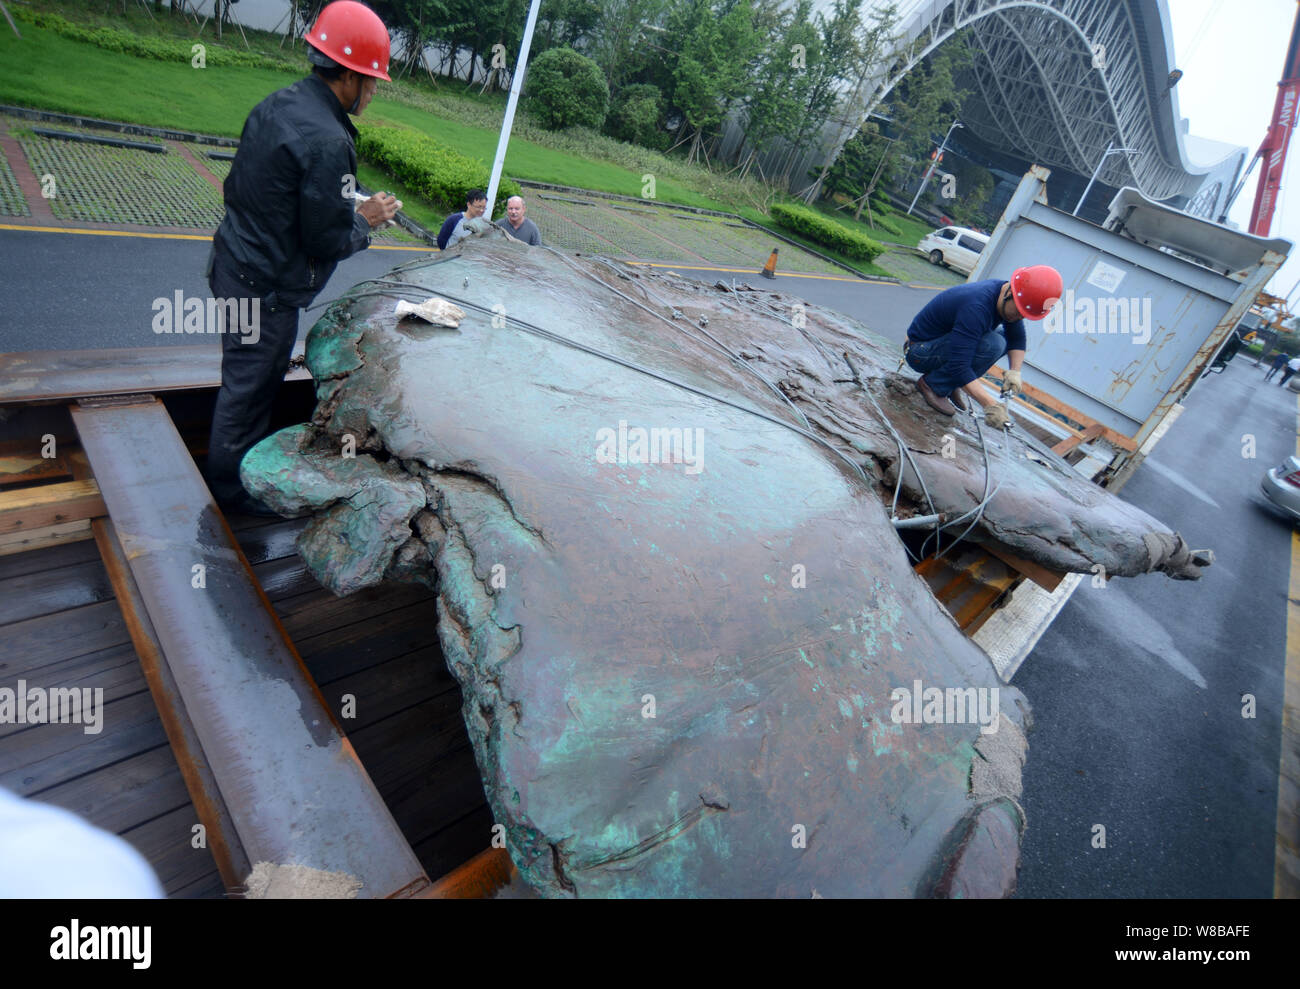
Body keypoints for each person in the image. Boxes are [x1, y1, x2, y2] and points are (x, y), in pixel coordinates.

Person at [205, 0, 399, 516]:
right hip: (263, 290)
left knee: (244, 380)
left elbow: (276, 191)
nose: (374, 92)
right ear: (348, 77)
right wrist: (367, 220)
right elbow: (324, 240)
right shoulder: (329, 140)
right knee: (248, 389)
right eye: (372, 81)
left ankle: (232, 472)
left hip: (233, 262)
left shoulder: (279, 104)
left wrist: (343, 201)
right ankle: (229, 495)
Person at [904, 265, 1063, 428]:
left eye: (1023, 315)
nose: (1018, 317)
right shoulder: (976, 306)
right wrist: (990, 405)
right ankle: (933, 385)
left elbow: (1016, 338)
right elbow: (959, 365)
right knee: (994, 344)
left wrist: (1015, 372)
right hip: (920, 351)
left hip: (942, 345)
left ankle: (949, 384)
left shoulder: (1004, 294)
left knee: (1003, 338)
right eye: (1018, 312)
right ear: (1010, 294)